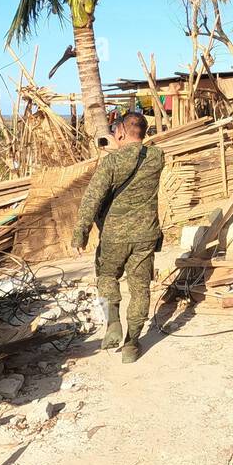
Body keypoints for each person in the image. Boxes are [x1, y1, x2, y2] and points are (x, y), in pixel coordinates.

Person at [72, 112, 165, 363]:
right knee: (140, 288)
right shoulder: (157, 157)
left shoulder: (112, 163)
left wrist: (80, 232)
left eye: (115, 131)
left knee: (106, 276)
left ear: (121, 132)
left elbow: (93, 197)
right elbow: (141, 152)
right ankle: (132, 345)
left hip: (114, 236)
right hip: (146, 235)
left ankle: (113, 321)